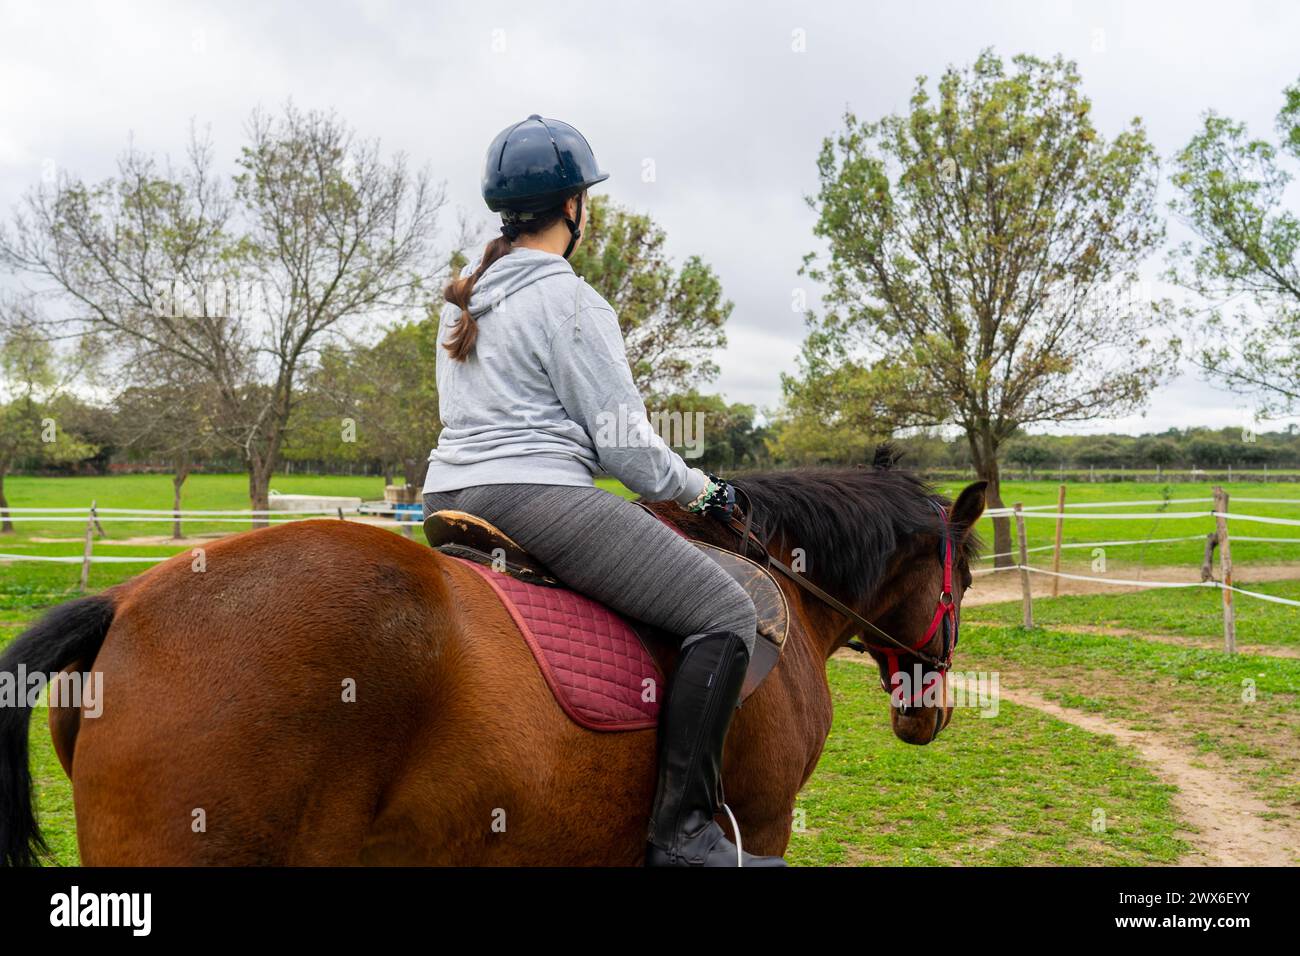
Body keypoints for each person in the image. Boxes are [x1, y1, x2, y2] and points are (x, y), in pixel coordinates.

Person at [421, 115, 786, 867]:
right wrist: (704, 491)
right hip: (537, 501)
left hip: (446, 499)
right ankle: (683, 833)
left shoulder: (464, 300)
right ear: (574, 206)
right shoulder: (570, 301)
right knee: (726, 611)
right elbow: (631, 454)